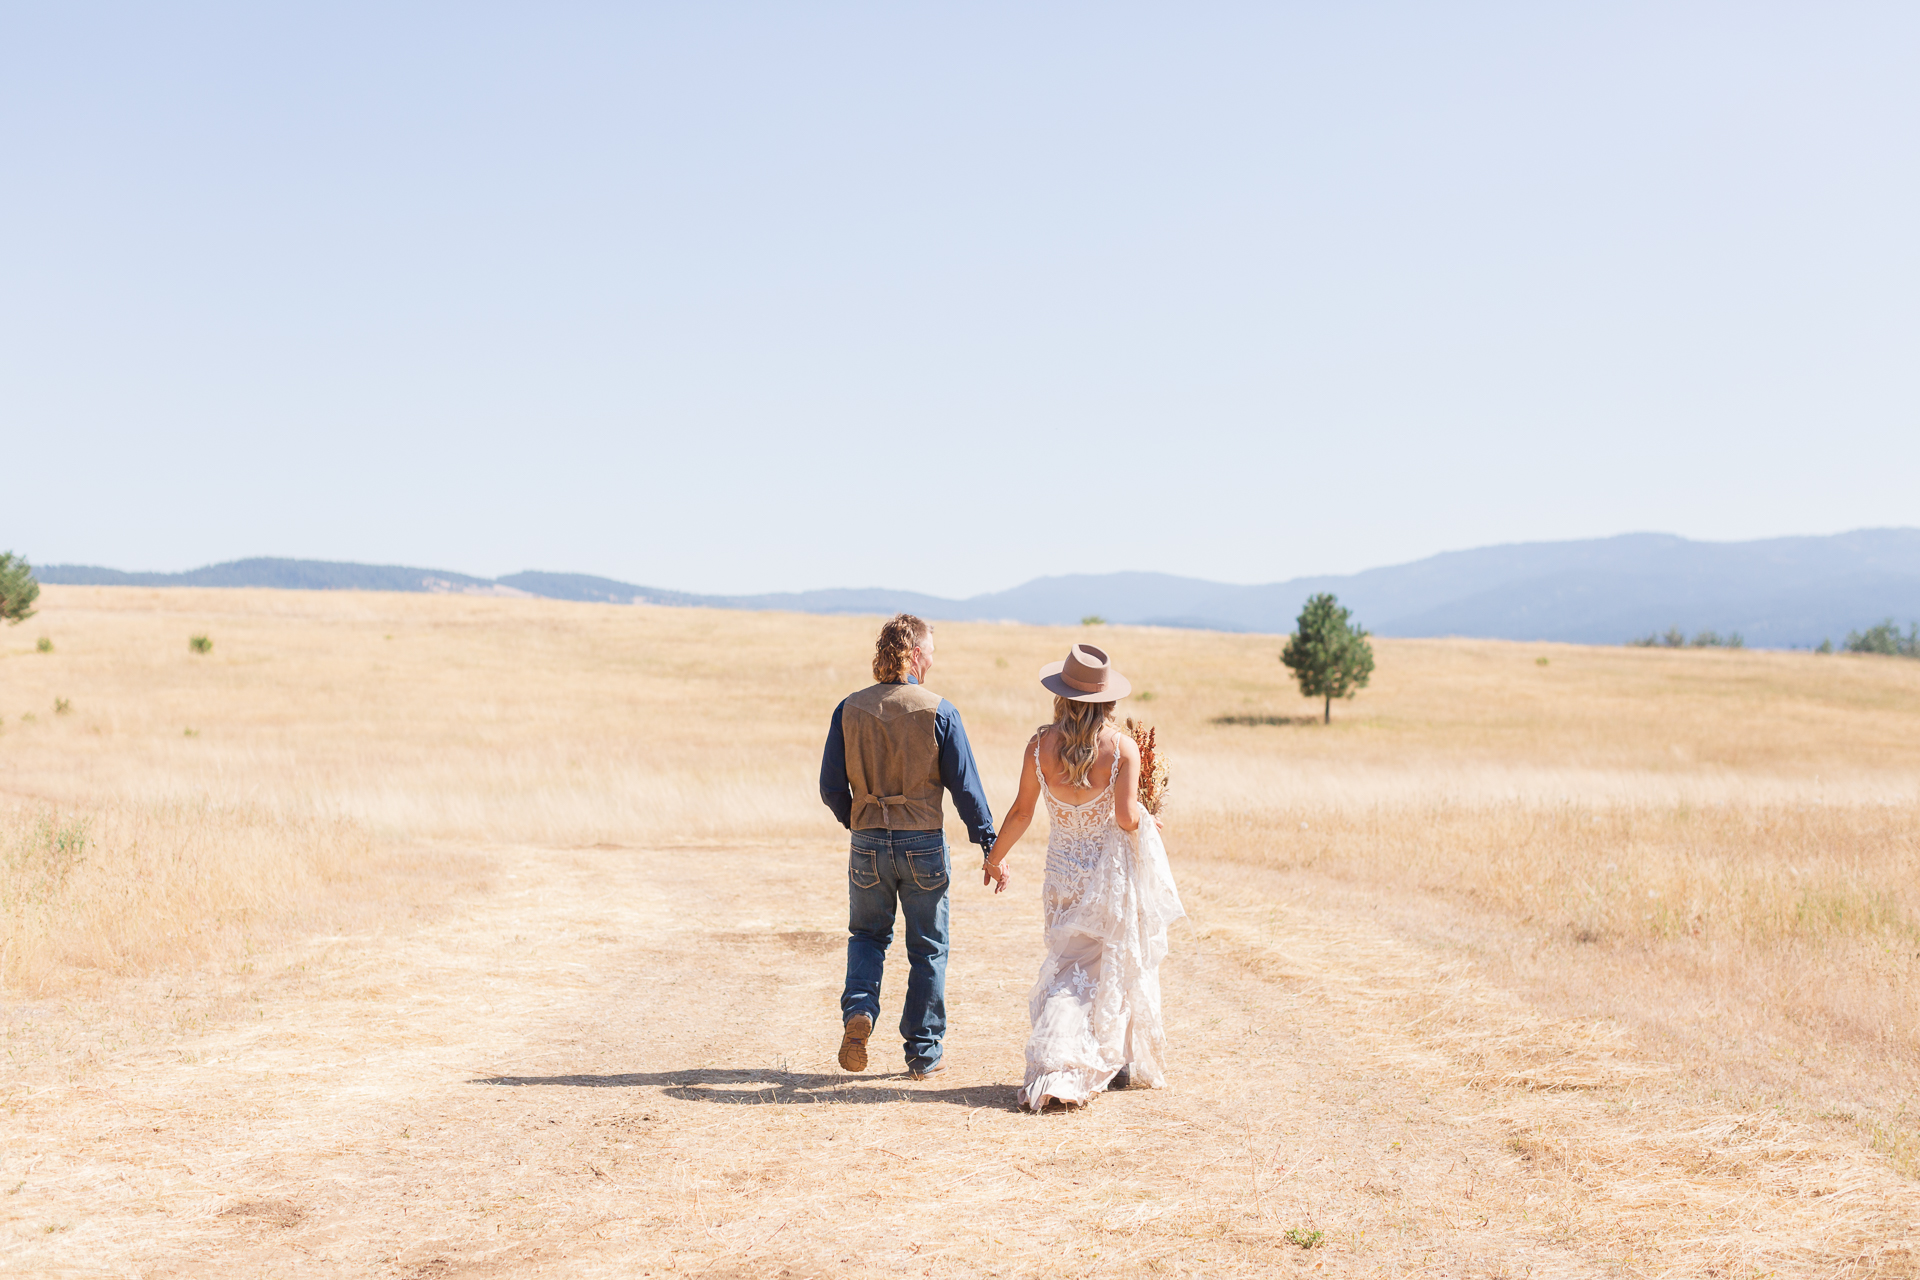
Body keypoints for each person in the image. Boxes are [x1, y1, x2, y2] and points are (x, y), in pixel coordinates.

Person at [983, 643, 1185, 1111]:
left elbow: (1020, 812)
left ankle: (1073, 1060)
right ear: (1108, 702)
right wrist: (1147, 822)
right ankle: (1071, 1065)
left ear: (1060, 696)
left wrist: (995, 858)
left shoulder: (1039, 747)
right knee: (1107, 968)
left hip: (1061, 876)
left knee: (1068, 968)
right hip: (1105, 876)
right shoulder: (1122, 750)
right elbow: (1125, 816)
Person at [819, 613, 997, 1079]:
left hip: (867, 840)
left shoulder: (848, 708)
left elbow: (830, 786)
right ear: (916, 653)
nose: (935, 658)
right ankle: (922, 1052)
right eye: (932, 649)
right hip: (923, 844)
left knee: (867, 936)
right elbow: (966, 789)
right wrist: (988, 843)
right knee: (928, 948)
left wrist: (859, 821)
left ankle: (859, 1010)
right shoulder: (939, 710)